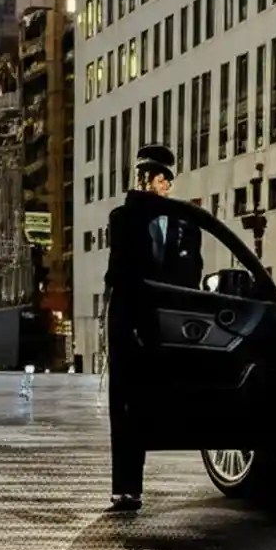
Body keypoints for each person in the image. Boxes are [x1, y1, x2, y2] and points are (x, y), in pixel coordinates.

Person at [102, 144, 202, 512]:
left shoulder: (187, 222)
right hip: (130, 319)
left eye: (162, 179)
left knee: (165, 400)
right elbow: (120, 270)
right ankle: (127, 487)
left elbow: (194, 273)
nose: (157, 185)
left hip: (170, 322)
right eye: (151, 178)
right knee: (126, 405)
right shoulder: (123, 217)